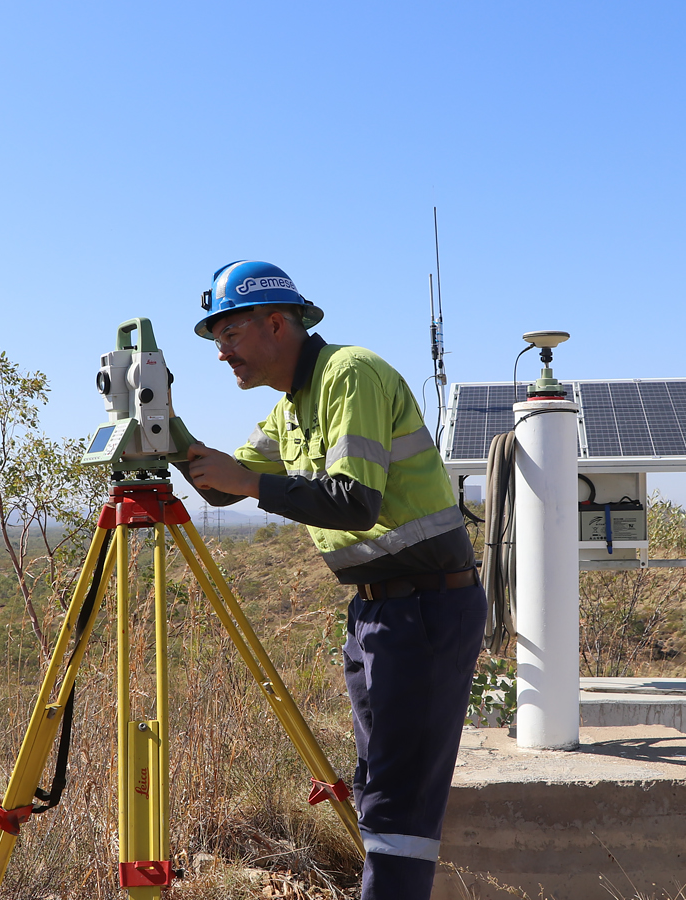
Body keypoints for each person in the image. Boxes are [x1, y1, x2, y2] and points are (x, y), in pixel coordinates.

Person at [180, 260, 485, 900]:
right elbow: (227, 482)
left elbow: (354, 502)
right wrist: (162, 432)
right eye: (214, 341)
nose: (222, 353)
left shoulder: (350, 375)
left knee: (399, 799)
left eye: (229, 335)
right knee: (377, 785)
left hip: (427, 607)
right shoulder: (289, 410)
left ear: (274, 323)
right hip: (377, 612)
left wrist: (252, 483)